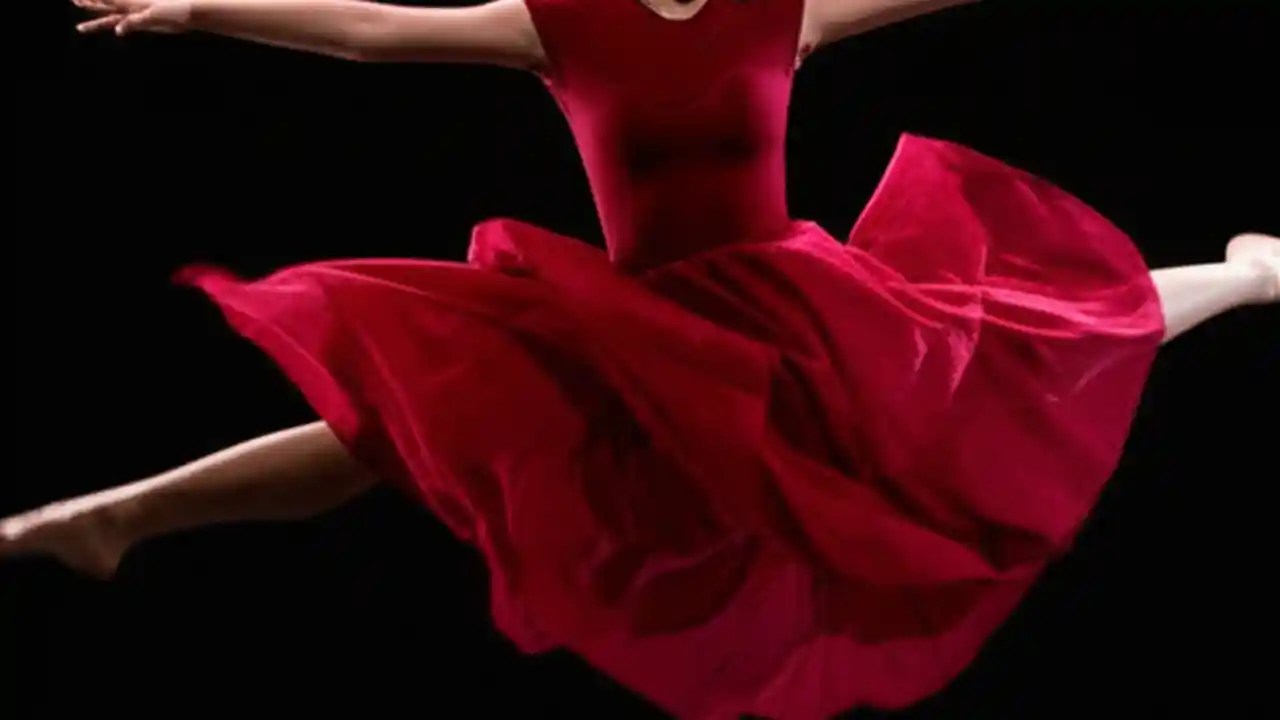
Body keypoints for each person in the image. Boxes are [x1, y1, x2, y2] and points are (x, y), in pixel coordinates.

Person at [4, 0, 1277, 718]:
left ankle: (1246, 274)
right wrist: (200, 10)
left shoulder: (781, 12)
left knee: (1021, 337)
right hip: (638, 327)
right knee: (400, 421)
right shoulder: (558, 22)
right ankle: (114, 517)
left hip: (790, 317)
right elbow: (371, 32)